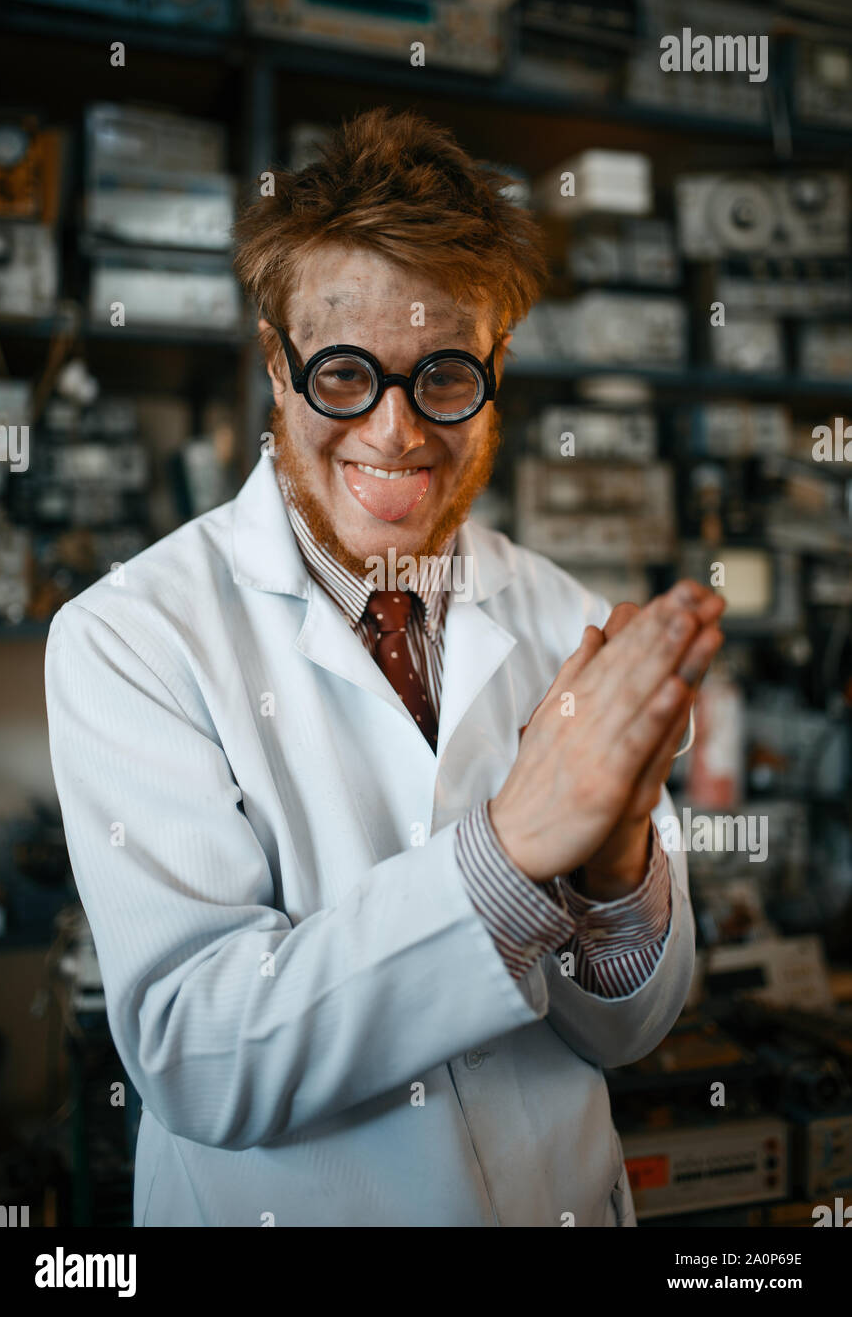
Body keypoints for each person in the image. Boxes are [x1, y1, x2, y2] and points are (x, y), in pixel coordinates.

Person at [44, 109, 724, 1227]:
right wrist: (507, 855)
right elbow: (196, 1056)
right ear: (278, 364)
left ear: (496, 368)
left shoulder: (569, 618)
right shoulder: (129, 636)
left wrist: (615, 859)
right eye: (346, 374)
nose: (398, 431)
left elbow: (624, 1033)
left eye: (446, 374)